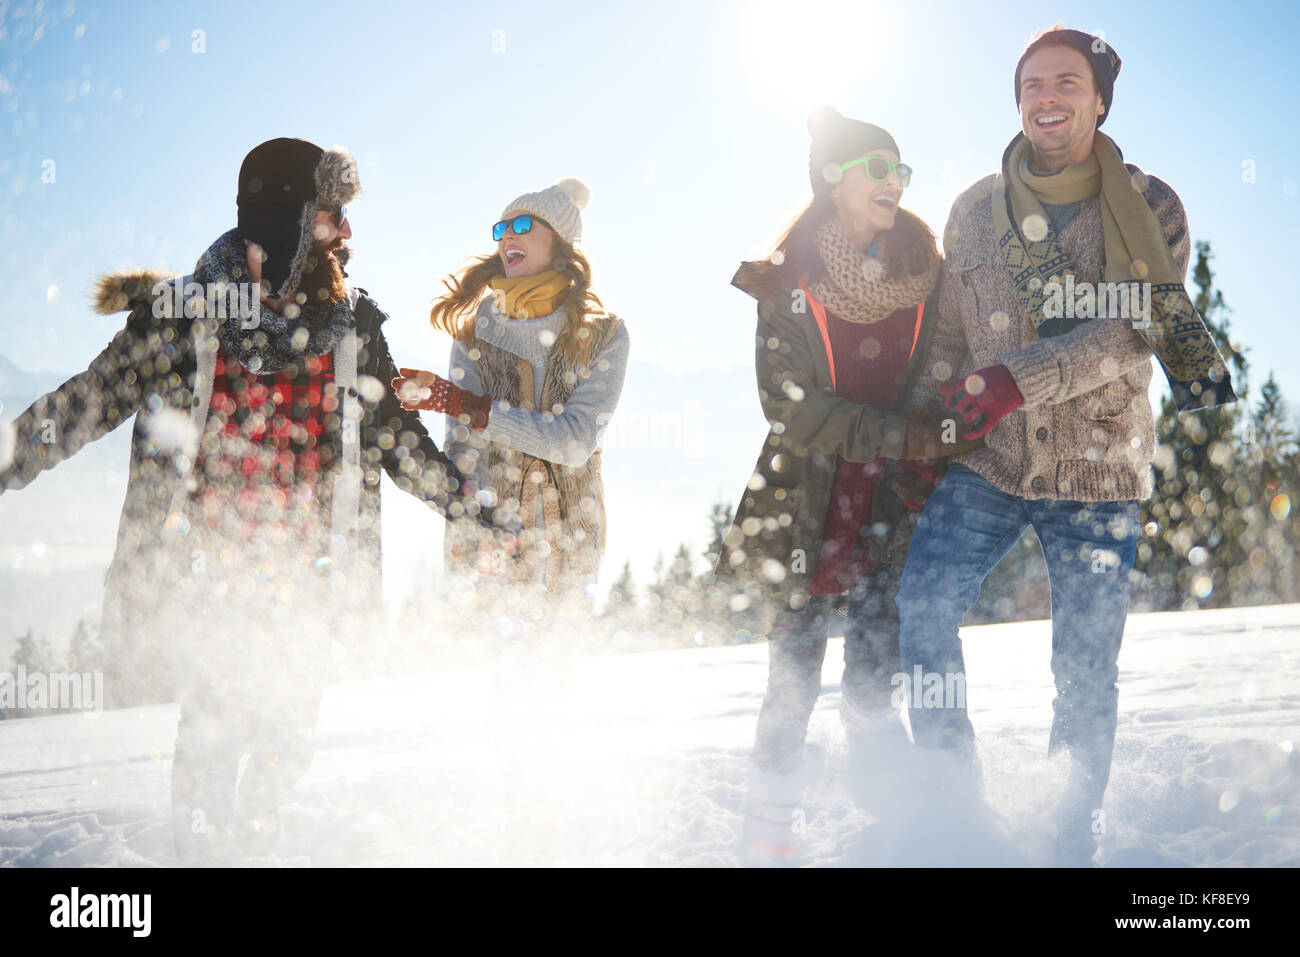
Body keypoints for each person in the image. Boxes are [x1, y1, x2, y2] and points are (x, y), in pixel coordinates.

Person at [0, 137, 500, 864]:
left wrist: (468, 503)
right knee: (209, 747)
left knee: (282, 750)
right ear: (284, 222)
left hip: (309, 579)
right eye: (332, 215)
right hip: (207, 577)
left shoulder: (351, 326)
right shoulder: (183, 316)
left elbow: (397, 439)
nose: (347, 233)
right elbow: (84, 402)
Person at [898, 27, 1237, 866]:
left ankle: (1067, 836)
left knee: (1083, 670)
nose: (1045, 97)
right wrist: (926, 434)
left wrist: (1021, 376)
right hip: (990, 463)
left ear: (1099, 99)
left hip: (1101, 469)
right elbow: (947, 334)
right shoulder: (975, 208)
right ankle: (951, 807)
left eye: (1066, 82)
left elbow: (1134, 330)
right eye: (1031, 84)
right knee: (923, 605)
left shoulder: (1150, 205)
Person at [713, 107, 979, 863]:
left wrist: (938, 422)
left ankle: (890, 824)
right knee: (793, 678)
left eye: (900, 168)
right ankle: (768, 840)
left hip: (895, 504)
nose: (893, 181)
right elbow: (791, 408)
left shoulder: (926, 273)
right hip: (805, 503)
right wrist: (902, 433)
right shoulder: (788, 285)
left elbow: (942, 364)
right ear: (834, 181)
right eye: (876, 167)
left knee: (873, 677)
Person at [392, 178, 628, 616]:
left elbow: (574, 442)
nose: (508, 237)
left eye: (522, 224)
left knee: (557, 667)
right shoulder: (474, 333)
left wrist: (474, 408)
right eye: (501, 230)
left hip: (571, 539)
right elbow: (464, 451)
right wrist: (470, 533)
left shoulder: (604, 335)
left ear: (558, 242)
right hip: (496, 534)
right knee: (501, 669)